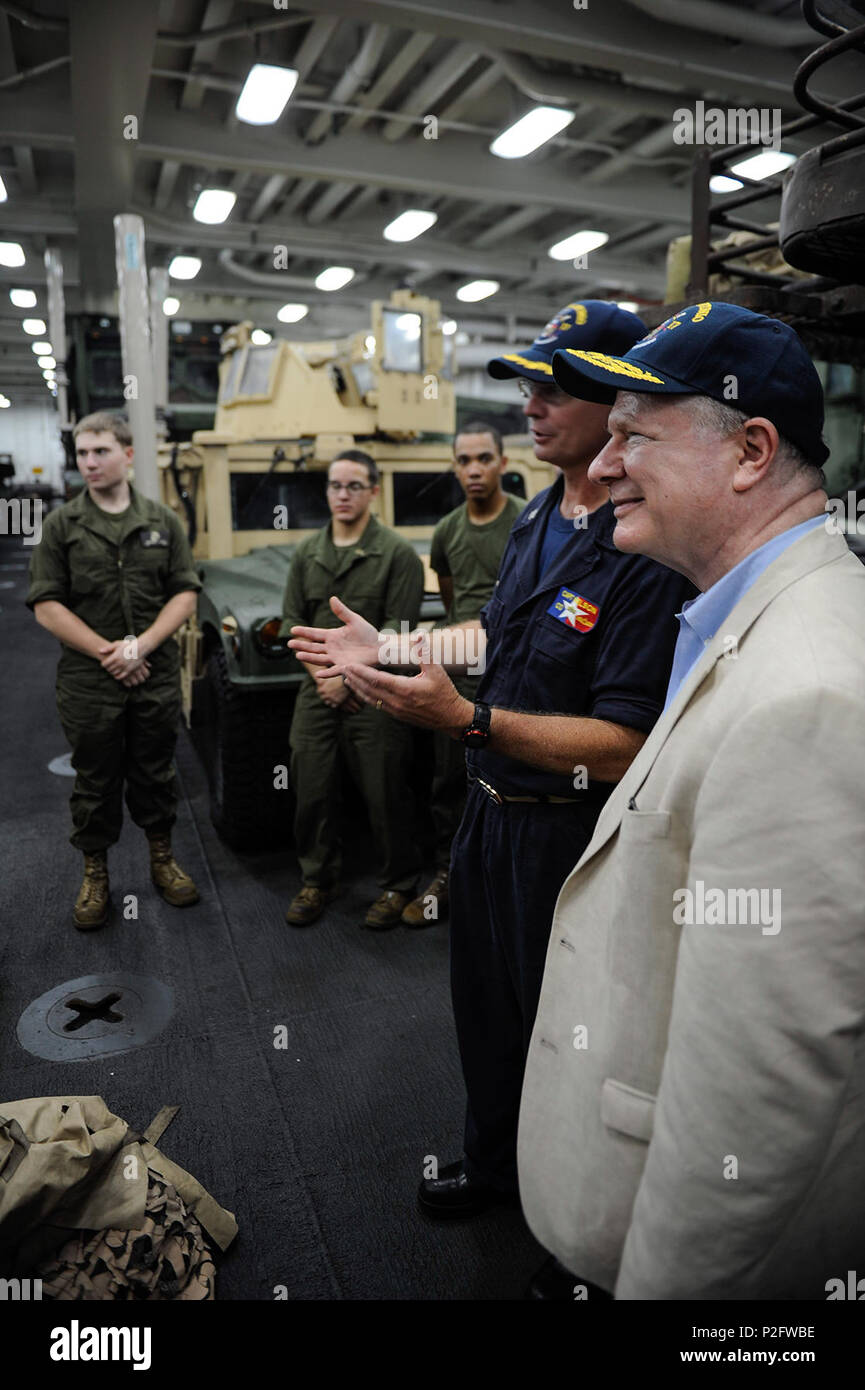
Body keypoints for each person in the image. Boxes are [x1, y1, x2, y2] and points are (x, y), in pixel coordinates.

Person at [288, 302, 694, 1270]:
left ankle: (580, 1235)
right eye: (529, 383)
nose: (532, 402)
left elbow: (627, 741)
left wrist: (468, 722)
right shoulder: (536, 515)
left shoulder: (640, 544)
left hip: (571, 835)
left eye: (556, 385)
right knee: (487, 1007)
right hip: (490, 814)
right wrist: (389, 648)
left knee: (582, 1038)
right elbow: (496, 642)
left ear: (615, 400)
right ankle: (497, 1163)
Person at [514, 299, 865, 1300]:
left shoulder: (806, 692)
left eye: (633, 436)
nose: (606, 462)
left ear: (751, 451)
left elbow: (759, 1104)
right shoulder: (736, 617)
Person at [26, 411, 202, 930]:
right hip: (89, 681)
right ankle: (96, 872)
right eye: (82, 454)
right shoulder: (62, 525)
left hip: (154, 672)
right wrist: (112, 652)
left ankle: (162, 858)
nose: (89, 463)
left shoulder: (161, 521)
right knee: (95, 779)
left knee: (155, 771)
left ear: (128, 455)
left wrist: (140, 647)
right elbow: (46, 604)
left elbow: (185, 592)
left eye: (100, 451)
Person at [279, 449, 424, 931]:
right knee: (310, 783)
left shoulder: (397, 555)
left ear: (373, 492)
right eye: (336, 486)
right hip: (317, 685)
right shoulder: (307, 553)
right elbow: (294, 625)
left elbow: (398, 632)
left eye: (354, 486)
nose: (343, 495)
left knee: (385, 786)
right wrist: (325, 678)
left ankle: (398, 882)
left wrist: (347, 679)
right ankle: (318, 878)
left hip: (377, 690)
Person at [401, 421, 523, 928]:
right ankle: (449, 875)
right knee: (449, 778)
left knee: (513, 773)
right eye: (464, 460)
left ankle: (504, 878)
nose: (474, 469)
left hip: (516, 667)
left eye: (484, 459)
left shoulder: (526, 521)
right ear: (454, 467)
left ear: (502, 463)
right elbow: (453, 600)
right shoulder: (447, 530)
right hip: (462, 667)